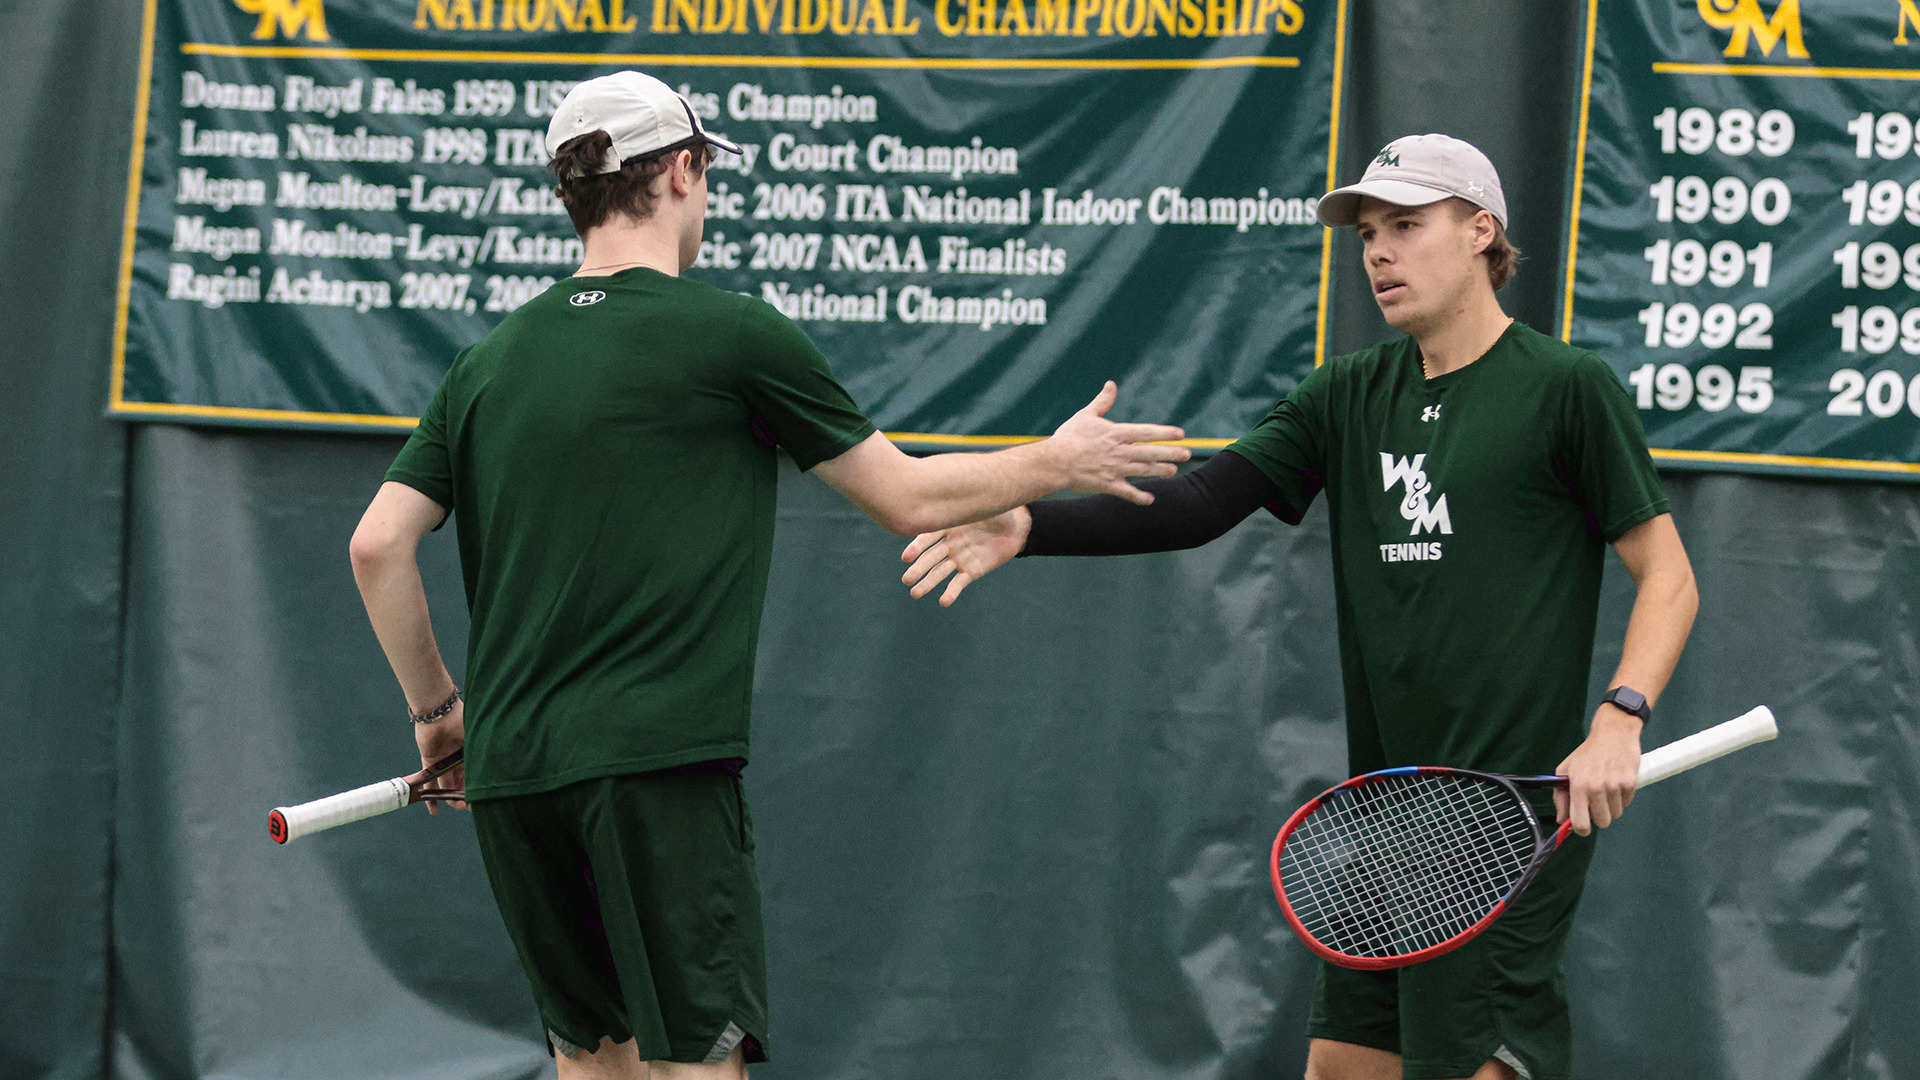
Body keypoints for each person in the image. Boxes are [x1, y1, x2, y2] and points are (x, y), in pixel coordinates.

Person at [347, 70, 1189, 1080]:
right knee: (697, 1065)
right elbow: (905, 498)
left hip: (518, 777)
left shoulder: (484, 365)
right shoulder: (731, 333)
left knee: (591, 1064)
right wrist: (1058, 462)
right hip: (657, 769)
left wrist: (441, 717)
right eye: (706, 173)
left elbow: (377, 546)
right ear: (684, 171)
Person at [899, 133, 1699, 1080]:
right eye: (1368, 233)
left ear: (1483, 232)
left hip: (1505, 828)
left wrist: (1621, 718)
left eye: (1406, 226)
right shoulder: (1347, 394)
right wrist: (1029, 524)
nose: (1378, 253)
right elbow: (1199, 506)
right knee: (1339, 1069)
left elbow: (1670, 576)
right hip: (1383, 813)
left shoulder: (1567, 390)